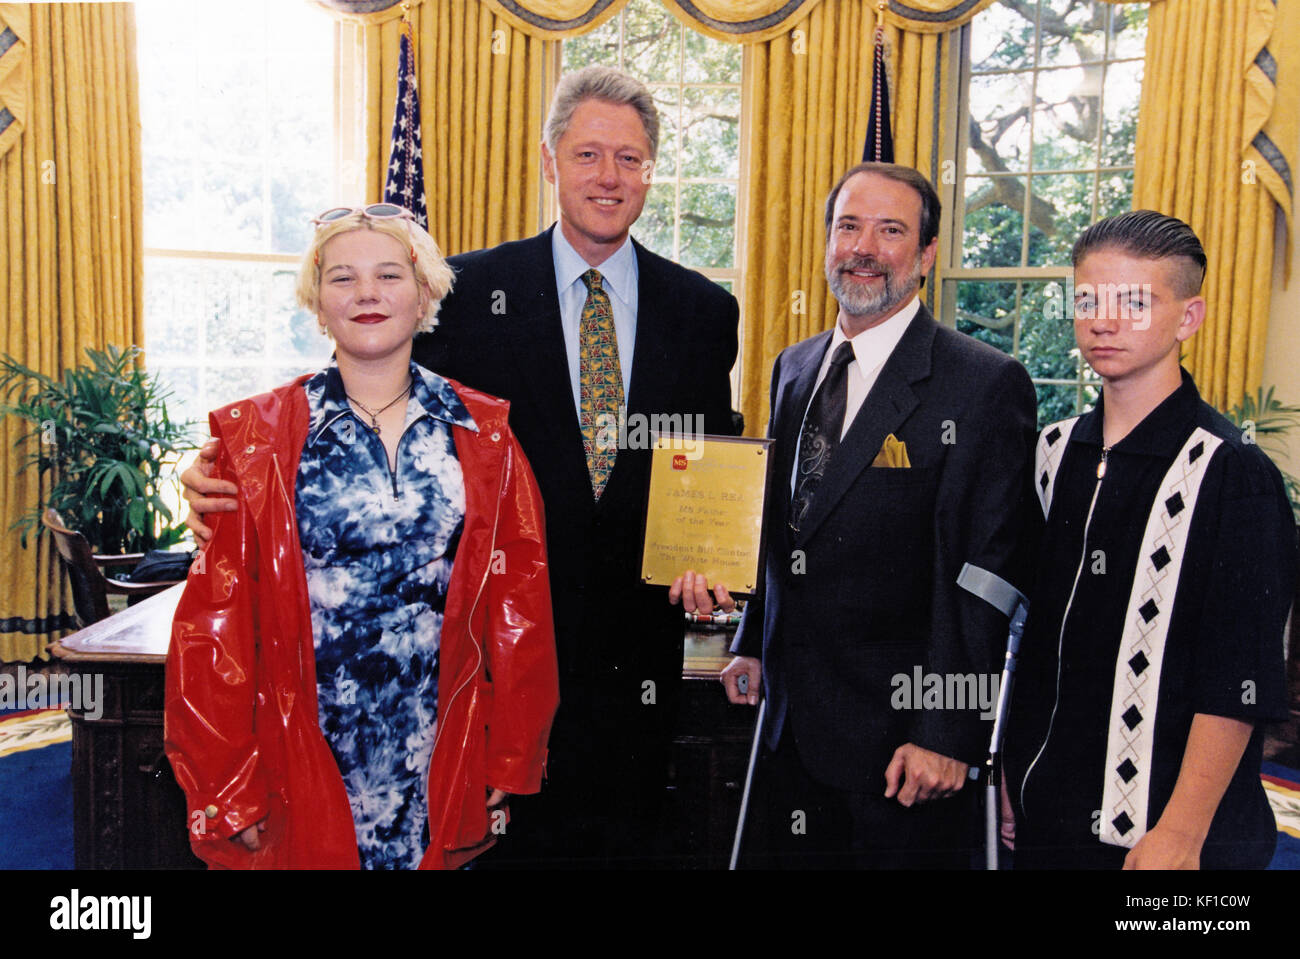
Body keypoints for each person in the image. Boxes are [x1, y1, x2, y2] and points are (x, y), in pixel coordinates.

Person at [180, 67, 739, 867]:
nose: (608, 177)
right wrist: (212, 473)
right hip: (475, 683)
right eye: (587, 154)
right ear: (550, 161)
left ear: (652, 169)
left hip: (631, 673)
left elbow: (710, 464)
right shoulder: (464, 291)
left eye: (629, 158)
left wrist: (712, 561)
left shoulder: (703, 311)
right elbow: (362, 395)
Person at [164, 204, 559, 870]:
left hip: (437, 751)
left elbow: (521, 607)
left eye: (388, 274)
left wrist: (514, 754)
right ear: (317, 304)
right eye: (343, 278)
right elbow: (213, 630)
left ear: (425, 292)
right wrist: (226, 789)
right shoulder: (255, 439)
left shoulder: (485, 434)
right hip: (300, 754)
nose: (368, 293)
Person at [720, 162, 1039, 868]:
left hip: (902, 750)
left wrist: (949, 732)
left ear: (926, 255)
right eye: (849, 226)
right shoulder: (795, 367)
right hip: (789, 725)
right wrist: (750, 636)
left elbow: (989, 570)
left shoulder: (982, 384)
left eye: (891, 230)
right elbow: (788, 521)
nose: (864, 247)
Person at [1002, 210, 1294, 869]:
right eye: (1088, 300)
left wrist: (1182, 833)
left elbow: (1240, 677)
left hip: (1170, 833)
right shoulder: (1053, 456)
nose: (1103, 321)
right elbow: (1030, 635)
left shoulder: (1232, 471)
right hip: (1051, 818)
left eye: (1134, 302)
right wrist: (1012, 774)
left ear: (1188, 318)